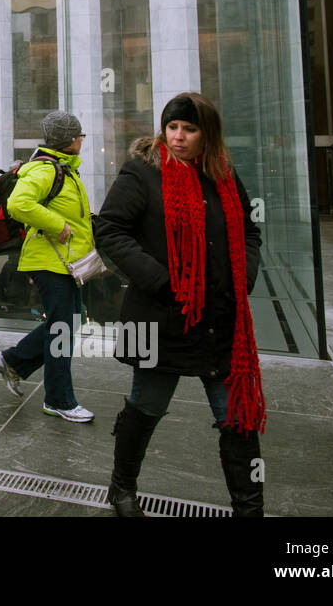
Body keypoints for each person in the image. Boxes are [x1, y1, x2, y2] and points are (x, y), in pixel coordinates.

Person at [94, 92, 266, 517]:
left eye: (189, 129)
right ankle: (122, 489)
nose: (178, 137)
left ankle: (249, 507)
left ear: (207, 134)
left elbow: (248, 231)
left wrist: (243, 277)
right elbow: (110, 230)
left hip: (221, 319)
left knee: (237, 417)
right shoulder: (142, 173)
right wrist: (162, 280)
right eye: (172, 127)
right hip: (158, 315)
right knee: (146, 405)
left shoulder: (224, 176)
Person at [0, 111, 97, 423]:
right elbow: (19, 204)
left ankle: (12, 361)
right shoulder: (46, 170)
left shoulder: (63, 169)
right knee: (62, 329)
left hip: (63, 263)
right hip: (50, 263)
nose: (81, 140)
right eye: (79, 135)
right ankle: (59, 400)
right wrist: (57, 225)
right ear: (68, 140)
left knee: (65, 324)